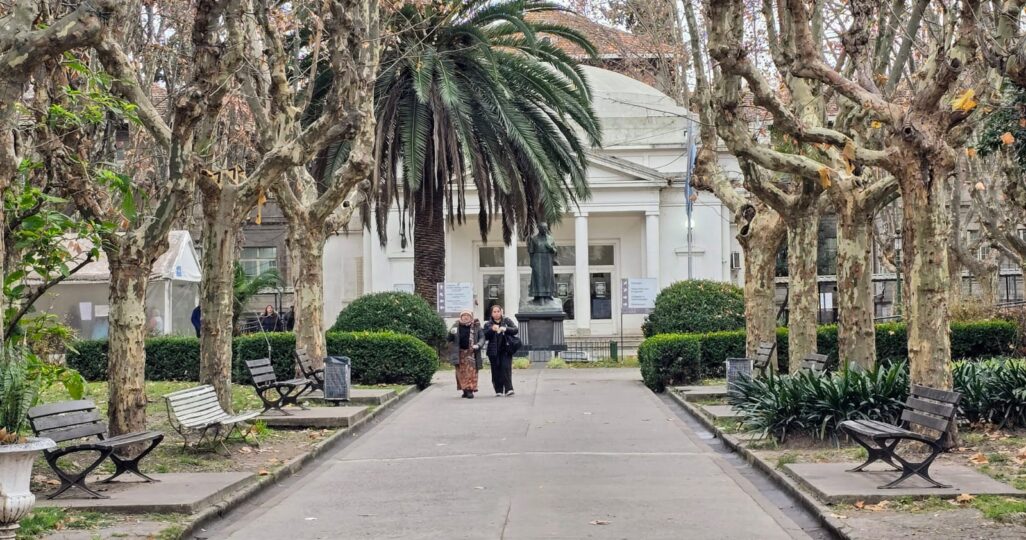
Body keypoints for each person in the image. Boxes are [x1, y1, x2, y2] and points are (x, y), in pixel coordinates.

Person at [447, 310, 483, 399]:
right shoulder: (456, 325)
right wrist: (451, 332)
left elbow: (482, 337)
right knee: (461, 372)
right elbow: (449, 339)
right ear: (461, 316)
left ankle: (470, 390)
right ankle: (464, 390)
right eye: (464, 315)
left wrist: (478, 345)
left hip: (471, 353)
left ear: (471, 317)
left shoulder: (476, 325)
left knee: (471, 372)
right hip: (460, 353)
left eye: (468, 315)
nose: (466, 317)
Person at [483, 305, 518, 397]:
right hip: (493, 350)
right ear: (491, 313)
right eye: (494, 312)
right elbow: (484, 336)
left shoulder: (506, 321)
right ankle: (498, 390)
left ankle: (509, 389)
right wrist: (491, 330)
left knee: (506, 368)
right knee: (496, 370)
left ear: (501, 312)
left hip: (506, 349)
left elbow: (515, 330)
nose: (496, 313)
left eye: (498, 311)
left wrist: (506, 329)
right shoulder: (488, 324)